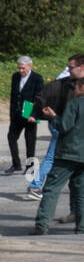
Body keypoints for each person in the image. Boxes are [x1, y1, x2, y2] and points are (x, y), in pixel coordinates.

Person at [27, 54, 84, 215]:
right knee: (73, 182)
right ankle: (75, 216)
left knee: (70, 181)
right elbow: (40, 97)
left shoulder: (72, 85)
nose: (68, 70)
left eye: (71, 67)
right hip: (66, 134)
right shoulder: (65, 84)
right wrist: (36, 114)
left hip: (74, 138)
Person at [6, 56, 44, 173]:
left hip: (30, 110)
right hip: (17, 112)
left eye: (23, 68)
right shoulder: (15, 77)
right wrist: (12, 113)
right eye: (19, 68)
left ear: (29, 66)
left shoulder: (37, 78)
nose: (21, 71)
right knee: (11, 137)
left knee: (30, 141)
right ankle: (16, 164)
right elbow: (13, 95)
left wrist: (35, 115)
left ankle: (30, 166)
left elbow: (40, 98)